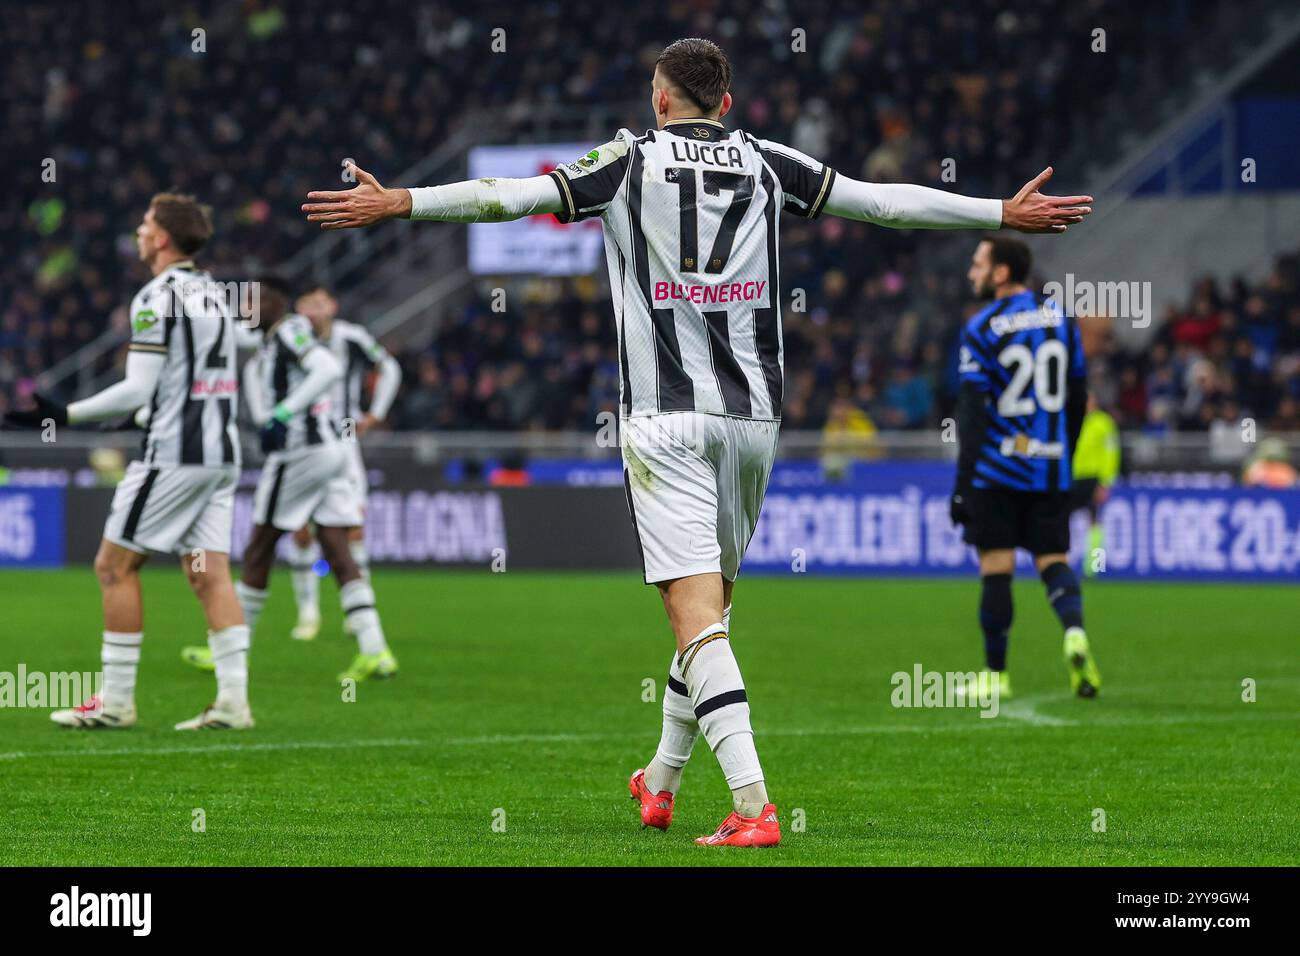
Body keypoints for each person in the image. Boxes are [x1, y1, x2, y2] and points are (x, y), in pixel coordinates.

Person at [301, 37, 1091, 846]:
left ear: (664, 99)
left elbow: (509, 195)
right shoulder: (768, 161)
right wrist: (1000, 213)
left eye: (654, 89)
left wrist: (403, 201)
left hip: (665, 420)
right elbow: (884, 203)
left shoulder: (626, 160)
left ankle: (754, 808)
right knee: (706, 615)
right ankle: (662, 780)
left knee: (696, 618)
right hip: (753, 424)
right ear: (729, 102)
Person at [4, 193, 251, 730]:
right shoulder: (217, 294)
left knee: (113, 567)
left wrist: (65, 413)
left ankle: (115, 703)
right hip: (222, 453)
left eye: (145, 223)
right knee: (210, 574)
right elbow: (233, 359)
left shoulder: (155, 296)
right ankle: (234, 702)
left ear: (161, 237)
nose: (140, 232)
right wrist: (154, 411)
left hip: (175, 455)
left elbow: (136, 387)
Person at [181, 277, 398, 683]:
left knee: (261, 545)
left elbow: (329, 369)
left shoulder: (289, 333)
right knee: (336, 545)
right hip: (331, 450)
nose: (247, 307)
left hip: (301, 451)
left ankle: (228, 650)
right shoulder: (275, 339)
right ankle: (375, 651)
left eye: (256, 300)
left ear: (277, 303)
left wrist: (283, 413)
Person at [950, 236, 1102, 701]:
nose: (971, 273)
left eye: (978, 265)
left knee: (996, 566)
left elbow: (972, 416)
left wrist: (962, 487)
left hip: (998, 470)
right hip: (1051, 469)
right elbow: (1077, 398)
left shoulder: (981, 329)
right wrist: (1061, 450)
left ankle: (996, 675)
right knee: (1053, 561)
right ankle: (1074, 632)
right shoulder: (1061, 320)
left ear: (1000, 273)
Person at [282, 285, 402, 641]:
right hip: (302, 440)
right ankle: (308, 613)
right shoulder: (289, 338)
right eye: (307, 303)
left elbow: (390, 368)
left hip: (344, 440)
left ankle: (357, 611)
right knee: (301, 529)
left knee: (353, 526)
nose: (314, 310)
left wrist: (375, 414)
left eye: (320, 302)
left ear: (332, 305)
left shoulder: (353, 337)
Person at [1070, 392, 1121, 576]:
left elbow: (1111, 453)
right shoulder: (1073, 419)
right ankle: (1060, 562)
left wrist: (1105, 482)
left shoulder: (1103, 423)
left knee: (1095, 521)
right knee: (1060, 518)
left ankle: (1096, 566)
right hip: (1072, 477)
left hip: (1093, 478)